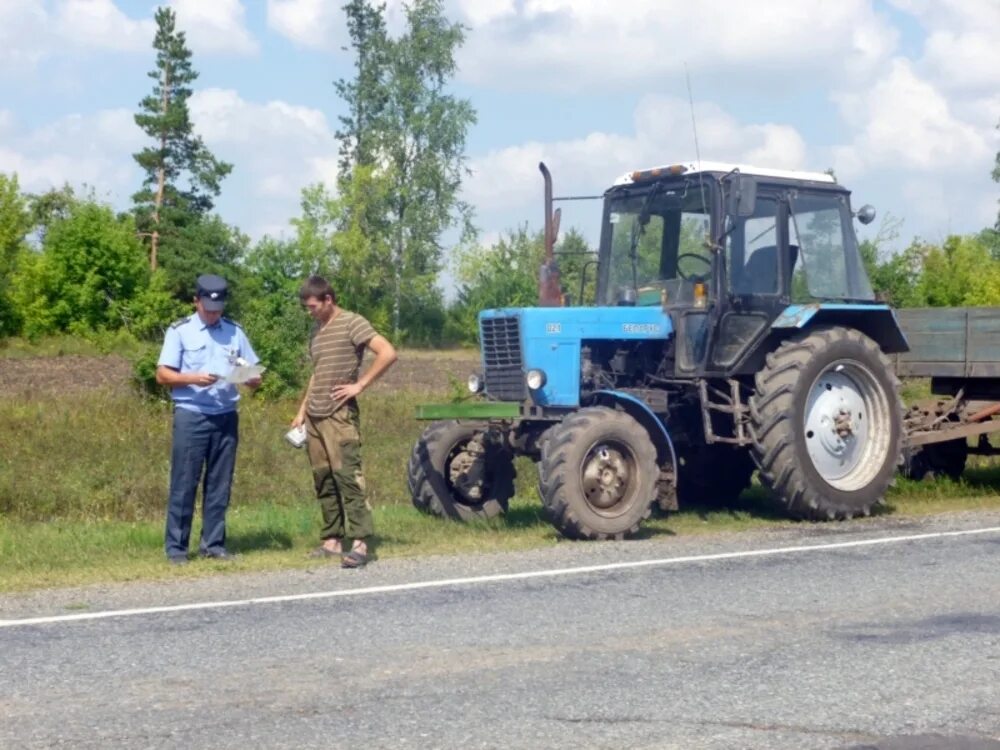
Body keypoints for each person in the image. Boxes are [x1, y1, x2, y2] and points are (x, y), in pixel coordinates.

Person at [291, 275, 397, 569]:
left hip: (340, 416)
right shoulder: (317, 330)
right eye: (306, 307)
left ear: (328, 299)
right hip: (315, 416)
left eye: (312, 306)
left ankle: (361, 543)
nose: (309, 311)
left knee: (348, 476)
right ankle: (332, 540)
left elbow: (388, 352)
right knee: (323, 479)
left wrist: (359, 385)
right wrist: (302, 411)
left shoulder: (353, 322)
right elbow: (317, 372)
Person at [156, 274, 262, 565]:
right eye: (208, 309)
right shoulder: (180, 332)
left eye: (218, 309)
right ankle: (177, 548)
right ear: (196, 301)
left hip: (226, 415)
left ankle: (213, 544)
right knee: (184, 482)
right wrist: (193, 378)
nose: (214, 314)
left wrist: (248, 377)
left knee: (220, 484)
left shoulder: (234, 332)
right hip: (192, 414)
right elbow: (163, 374)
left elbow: (254, 373)